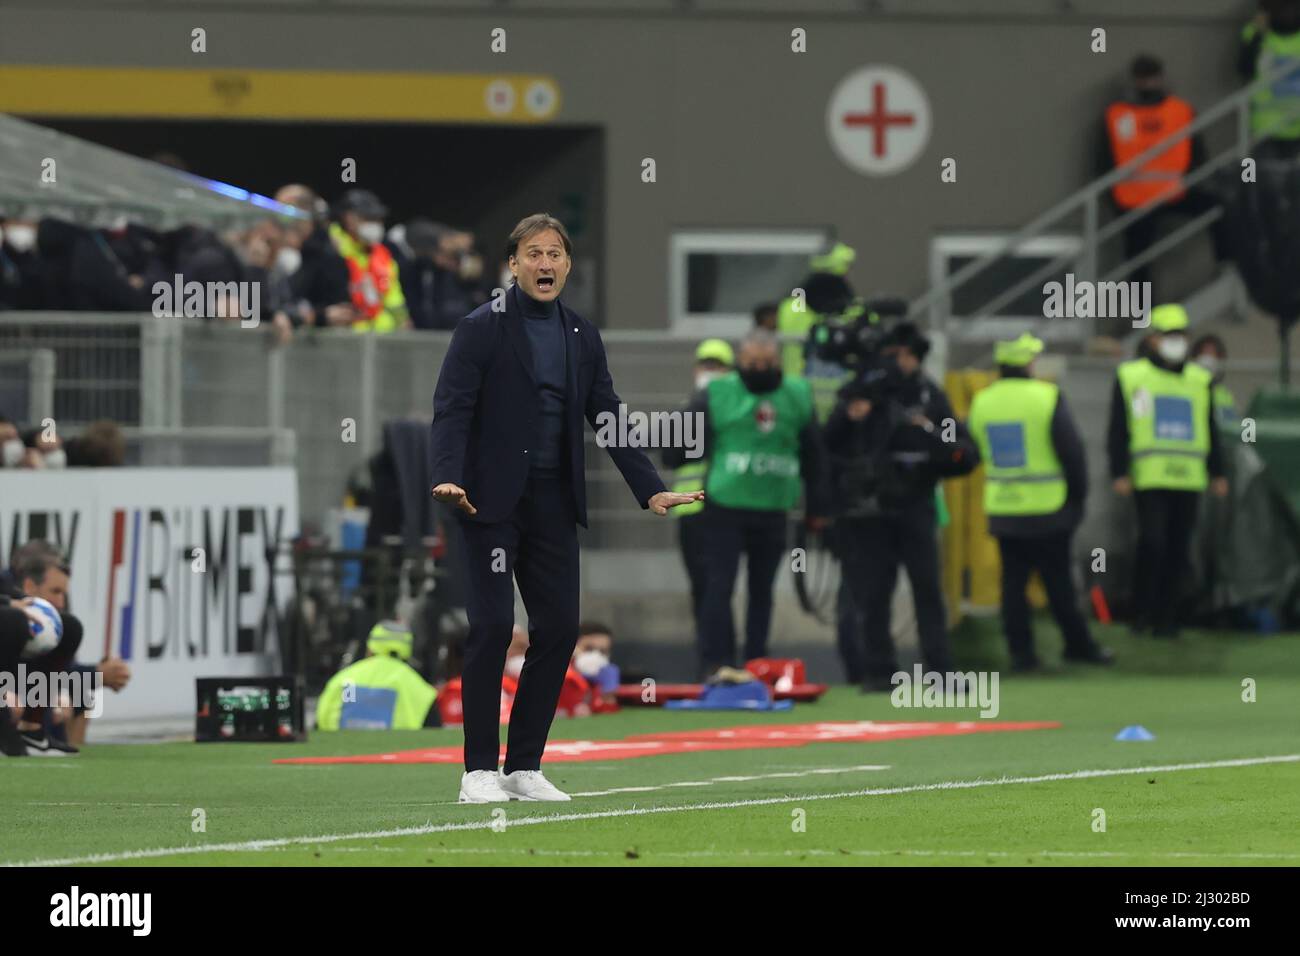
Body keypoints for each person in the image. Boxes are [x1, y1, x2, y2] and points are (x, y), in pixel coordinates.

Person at [429, 213, 700, 803]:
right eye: (533, 254)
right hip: (489, 503)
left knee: (558, 631)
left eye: (555, 254)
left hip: (554, 502)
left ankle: (522, 766)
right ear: (514, 263)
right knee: (495, 626)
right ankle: (477, 771)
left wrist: (649, 487)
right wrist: (448, 476)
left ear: (568, 265)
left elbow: (607, 413)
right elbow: (450, 408)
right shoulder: (481, 329)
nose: (545, 263)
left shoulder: (581, 335)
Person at [664, 329, 829, 677]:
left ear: (778, 362)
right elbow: (679, 445)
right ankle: (717, 663)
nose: (759, 369)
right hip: (725, 506)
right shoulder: (718, 393)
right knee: (718, 586)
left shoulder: (797, 395)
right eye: (752, 363)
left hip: (773, 507)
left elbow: (815, 455)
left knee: (762, 590)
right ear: (741, 362)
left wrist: (818, 507)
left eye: (766, 363)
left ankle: (757, 661)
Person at [825, 321, 979, 691]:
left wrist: (929, 437)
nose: (901, 364)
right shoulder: (862, 394)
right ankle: (878, 671)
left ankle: (940, 671)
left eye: (905, 356)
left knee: (927, 588)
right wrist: (850, 417)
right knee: (874, 592)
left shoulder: (928, 396)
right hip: (869, 509)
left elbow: (963, 451)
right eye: (895, 356)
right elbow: (828, 443)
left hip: (915, 503)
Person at [967, 334, 1114, 671]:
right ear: (1028, 363)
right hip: (1048, 508)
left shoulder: (982, 401)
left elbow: (971, 450)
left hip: (1004, 507)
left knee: (1013, 585)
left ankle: (1021, 655)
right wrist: (1077, 497)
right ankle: (1078, 646)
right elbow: (1072, 453)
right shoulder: (1046, 397)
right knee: (1058, 583)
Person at [1107, 303, 1229, 638]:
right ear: (1154, 339)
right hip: (1150, 477)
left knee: (1178, 547)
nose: (1177, 341)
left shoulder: (1199, 380)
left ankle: (1167, 618)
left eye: (1181, 335)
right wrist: (1120, 470)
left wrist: (1217, 472)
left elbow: (1210, 428)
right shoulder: (1133, 377)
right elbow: (1119, 427)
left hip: (1188, 477)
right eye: (1169, 335)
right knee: (1152, 542)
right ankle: (1142, 610)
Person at [1100, 54, 1221, 288]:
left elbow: (1198, 153)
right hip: (1133, 198)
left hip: (1173, 192)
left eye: (1151, 78)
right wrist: (1111, 197)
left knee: (1220, 205)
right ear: (1134, 81)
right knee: (1137, 258)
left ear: (1161, 78)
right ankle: (1141, 317)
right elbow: (1104, 159)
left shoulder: (1180, 111)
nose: (1148, 84)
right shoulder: (1118, 115)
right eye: (1143, 79)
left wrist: (1195, 180)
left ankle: (1226, 262)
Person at [4, 540, 130, 748]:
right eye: (55, 591)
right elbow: (22, 673)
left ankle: (60, 754)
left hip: (28, 695)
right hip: (11, 693)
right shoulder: (11, 618)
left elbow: (59, 670)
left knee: (78, 696)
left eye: (64, 593)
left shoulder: (51, 620)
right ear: (29, 586)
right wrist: (97, 675)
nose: (61, 602)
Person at [664, 338, 734, 643]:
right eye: (706, 365)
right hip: (691, 509)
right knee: (700, 587)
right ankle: (709, 658)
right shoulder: (689, 407)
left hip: (723, 507)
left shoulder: (734, 410)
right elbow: (670, 456)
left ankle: (720, 657)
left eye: (717, 365)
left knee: (718, 586)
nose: (710, 371)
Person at [315, 621, 439, 730]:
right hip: (398, 753)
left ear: (370, 646)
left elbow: (319, 725)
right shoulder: (421, 689)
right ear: (408, 649)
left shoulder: (342, 679)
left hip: (341, 753)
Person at [329, 189, 409, 333]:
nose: (376, 225)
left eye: (378, 219)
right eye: (369, 218)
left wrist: (402, 321)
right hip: (341, 337)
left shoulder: (384, 255)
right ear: (349, 218)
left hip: (379, 339)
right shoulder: (331, 246)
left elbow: (394, 299)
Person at [1239, 0, 1300, 158]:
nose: (1286, 11)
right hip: (1265, 125)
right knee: (1256, 175)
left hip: (1297, 126)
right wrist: (1259, 34)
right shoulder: (1254, 32)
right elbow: (1244, 70)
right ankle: (1247, 181)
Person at [1190, 333, 1238, 427]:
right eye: (1204, 353)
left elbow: (1231, 425)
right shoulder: (1185, 388)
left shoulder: (1224, 395)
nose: (1208, 359)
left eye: (1212, 354)